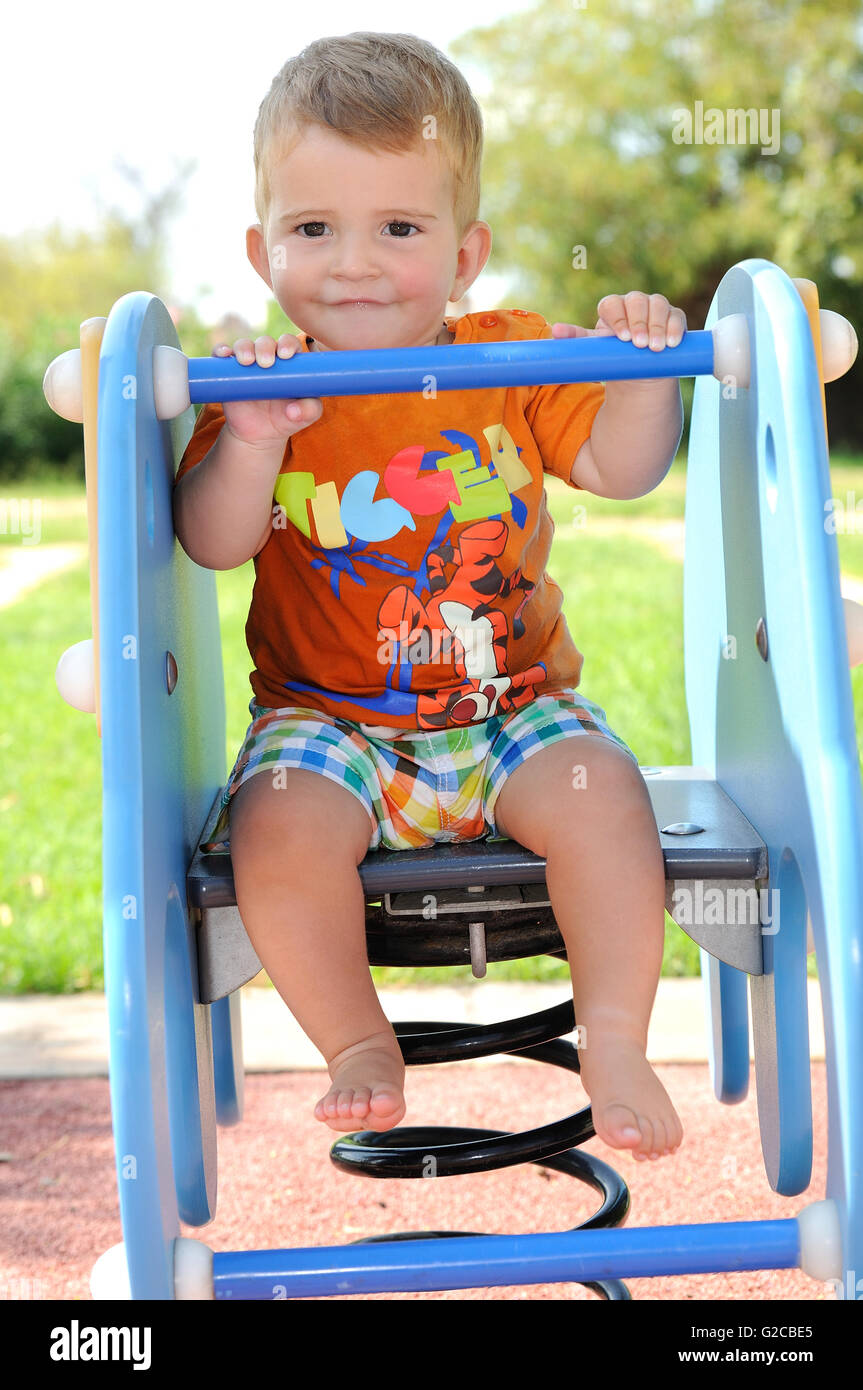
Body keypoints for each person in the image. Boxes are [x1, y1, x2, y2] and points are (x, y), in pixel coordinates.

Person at [172, 32, 686, 1163]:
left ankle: (613, 1036)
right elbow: (209, 541)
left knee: (607, 801)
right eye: (314, 229)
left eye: (398, 228)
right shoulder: (256, 379)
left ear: (465, 252)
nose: (352, 262)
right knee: (275, 834)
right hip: (328, 720)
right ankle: (356, 1041)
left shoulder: (509, 356)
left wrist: (641, 372)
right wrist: (254, 444)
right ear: (264, 250)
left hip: (508, 706)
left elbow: (621, 468)